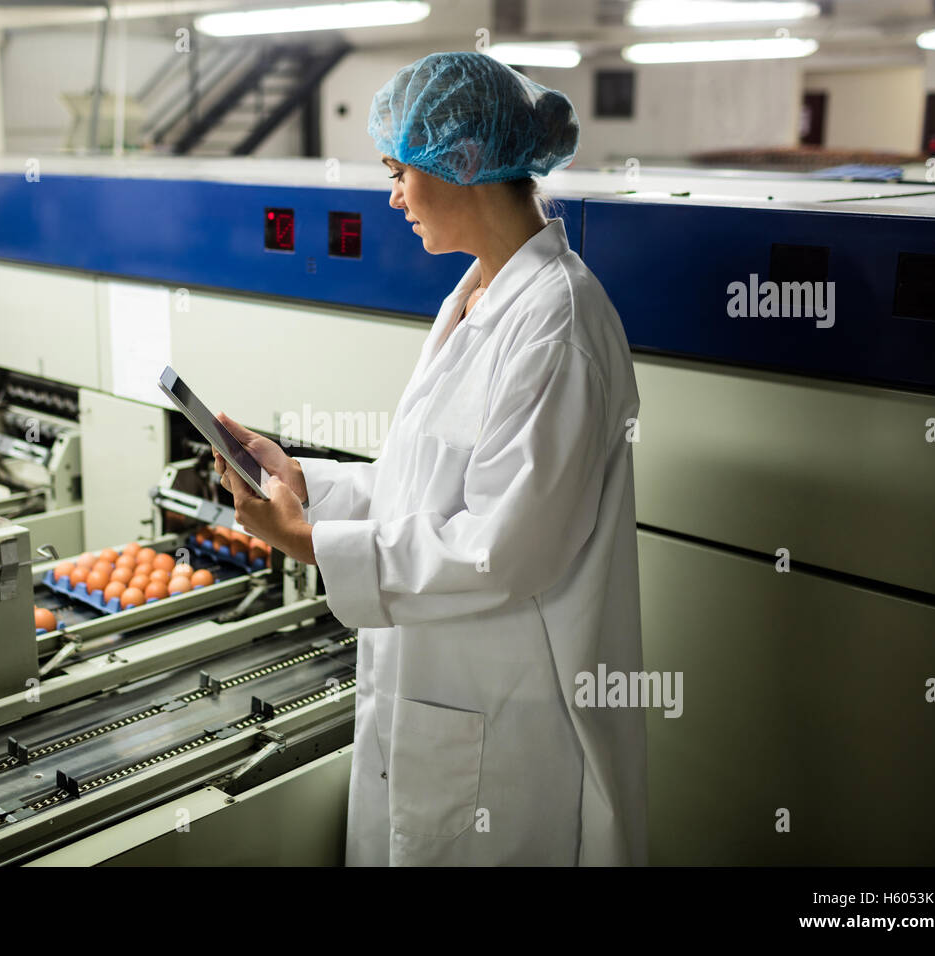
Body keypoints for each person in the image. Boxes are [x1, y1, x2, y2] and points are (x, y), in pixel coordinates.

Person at [212, 51, 646, 866]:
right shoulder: (478, 294)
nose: (392, 197)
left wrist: (309, 544)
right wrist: (311, 483)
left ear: (464, 163)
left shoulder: (556, 324)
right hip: (436, 702)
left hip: (502, 725)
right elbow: (427, 484)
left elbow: (500, 548)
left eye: (398, 172)